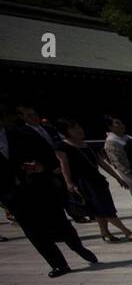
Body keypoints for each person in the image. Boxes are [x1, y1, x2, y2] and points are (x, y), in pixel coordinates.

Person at [3, 107, 99, 275]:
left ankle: (78, 247)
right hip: (12, 193)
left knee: (59, 222)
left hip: (38, 187)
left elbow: (50, 156)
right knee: (33, 231)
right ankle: (58, 264)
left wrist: (42, 167)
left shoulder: (23, 135)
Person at [54, 119, 132, 242]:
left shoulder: (86, 145)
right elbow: (64, 165)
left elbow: (102, 163)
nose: (79, 130)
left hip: (97, 180)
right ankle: (127, 231)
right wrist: (69, 182)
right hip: (83, 182)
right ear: (66, 132)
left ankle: (105, 233)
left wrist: (117, 178)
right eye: (73, 128)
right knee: (103, 208)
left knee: (100, 208)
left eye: (79, 127)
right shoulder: (62, 146)